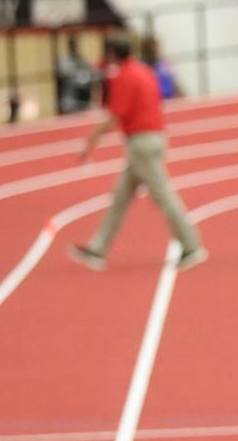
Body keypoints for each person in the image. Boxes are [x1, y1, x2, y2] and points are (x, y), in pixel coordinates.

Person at [68, 35, 207, 272]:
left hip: (142, 142)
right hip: (151, 137)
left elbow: (115, 115)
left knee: (163, 196)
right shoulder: (143, 71)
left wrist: (90, 141)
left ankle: (192, 246)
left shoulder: (125, 76)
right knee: (120, 197)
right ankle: (98, 248)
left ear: (112, 55)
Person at [57, 35, 97, 114]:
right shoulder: (64, 61)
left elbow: (91, 71)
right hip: (70, 99)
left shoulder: (82, 59)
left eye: (75, 45)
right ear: (69, 47)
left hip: (83, 99)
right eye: (72, 45)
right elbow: (65, 75)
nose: (74, 47)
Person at [139, 35, 180, 100]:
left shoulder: (165, 64)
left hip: (169, 100)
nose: (156, 50)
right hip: (153, 101)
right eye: (152, 48)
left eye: (157, 47)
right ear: (145, 50)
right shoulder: (141, 68)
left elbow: (174, 84)